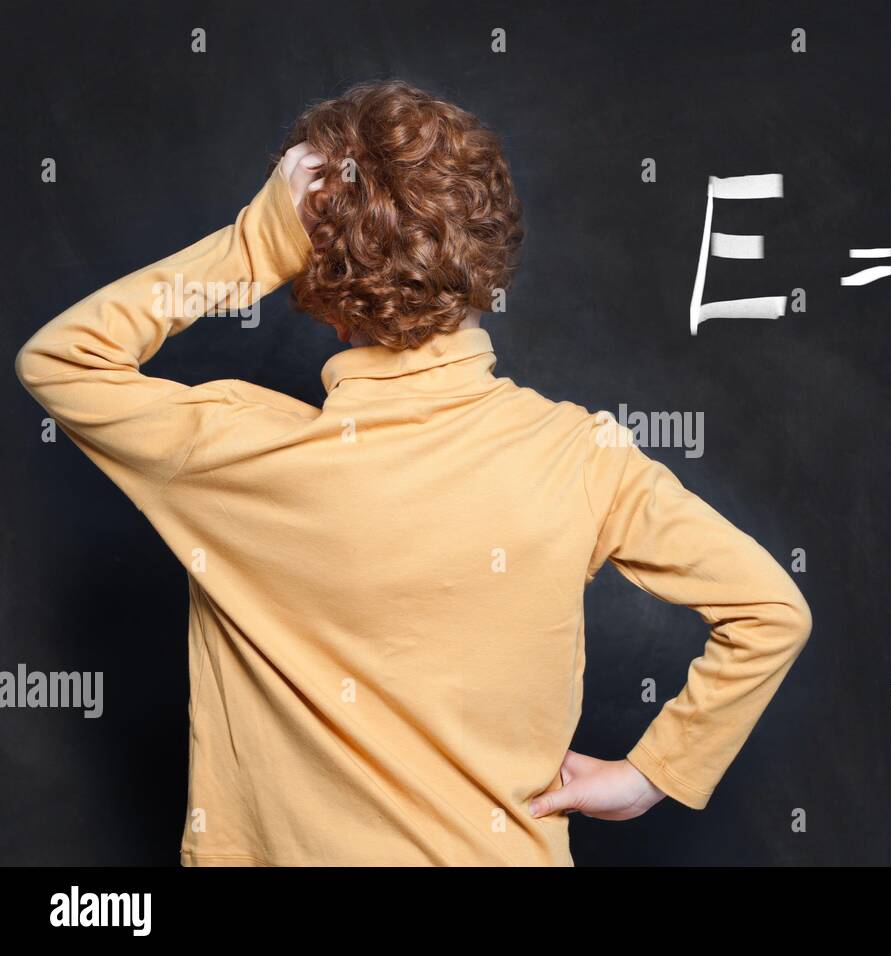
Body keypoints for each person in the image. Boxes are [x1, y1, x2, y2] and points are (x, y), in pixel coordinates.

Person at [14, 80, 813, 866]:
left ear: (320, 286)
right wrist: (652, 776)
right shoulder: (582, 456)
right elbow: (772, 611)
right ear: (490, 258)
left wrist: (257, 243)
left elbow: (61, 359)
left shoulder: (234, 451)